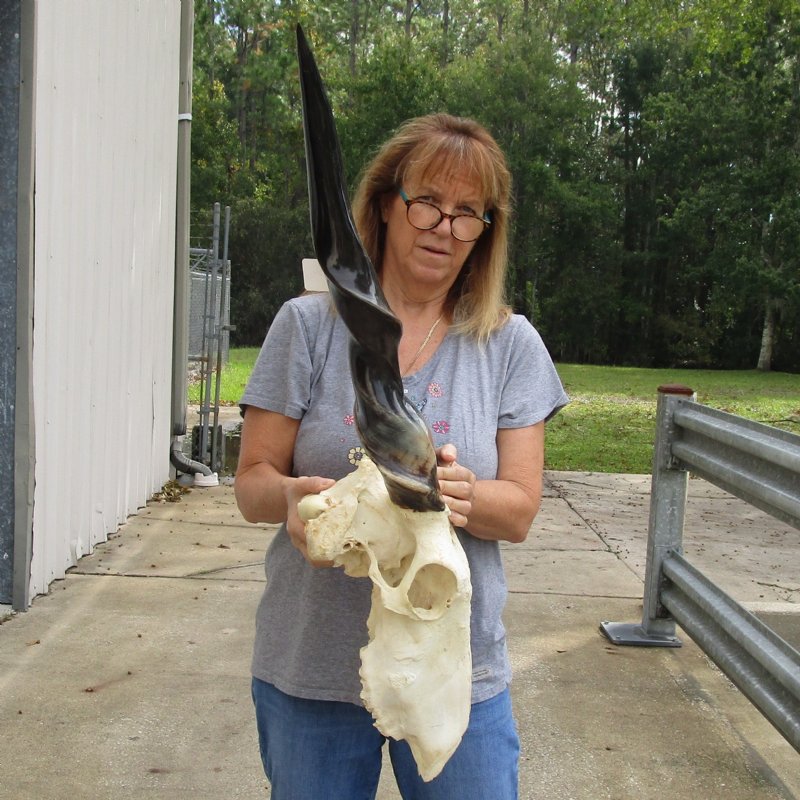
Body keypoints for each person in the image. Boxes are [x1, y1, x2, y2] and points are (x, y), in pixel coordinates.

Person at [235, 112, 569, 800]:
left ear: (486, 232)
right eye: (426, 204)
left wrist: (463, 496)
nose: (444, 227)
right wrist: (295, 498)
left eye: (467, 213)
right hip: (311, 672)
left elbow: (521, 510)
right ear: (387, 207)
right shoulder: (306, 327)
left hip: (456, 672)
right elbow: (251, 484)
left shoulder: (510, 346)